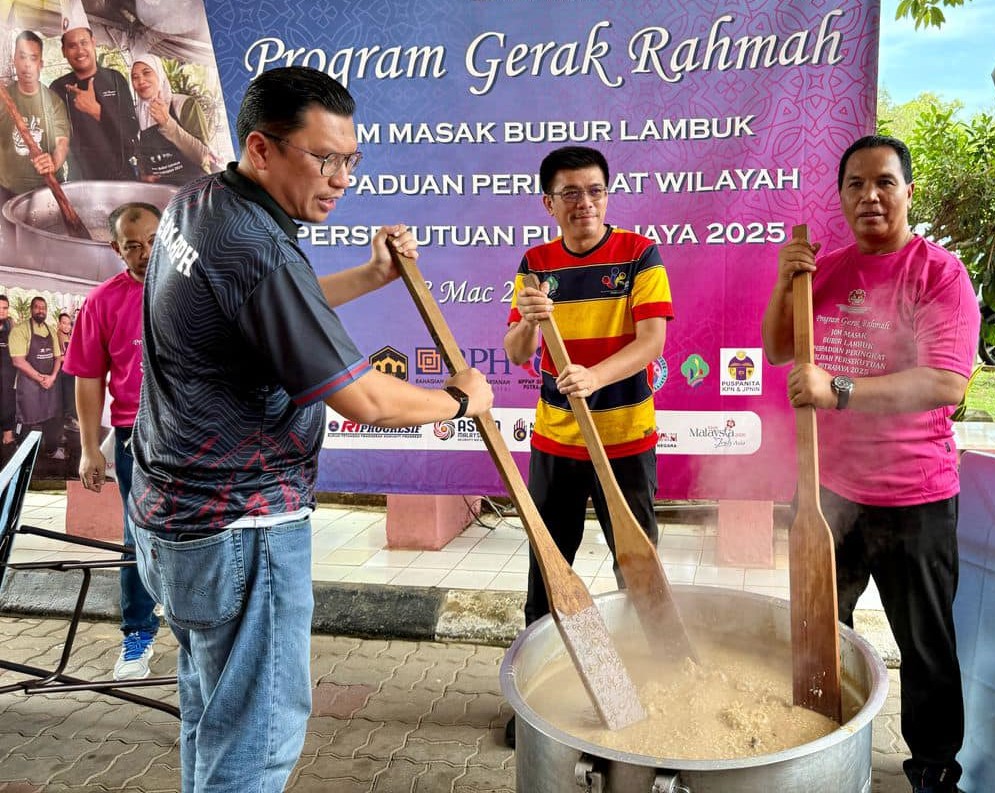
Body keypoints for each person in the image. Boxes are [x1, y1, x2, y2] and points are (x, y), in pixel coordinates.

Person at [127, 66, 493, 792]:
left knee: (211, 718)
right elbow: (365, 400)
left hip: (172, 519)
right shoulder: (257, 246)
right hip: (242, 527)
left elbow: (266, 306)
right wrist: (459, 398)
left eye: (350, 159)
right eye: (324, 158)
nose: (342, 178)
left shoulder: (200, 202)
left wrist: (367, 275)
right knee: (254, 747)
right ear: (262, 149)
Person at [761, 135, 979, 793]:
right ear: (842, 197)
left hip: (916, 496)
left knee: (926, 648)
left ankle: (934, 768)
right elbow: (775, 348)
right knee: (818, 630)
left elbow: (947, 383)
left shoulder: (938, 273)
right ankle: (823, 744)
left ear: (909, 192)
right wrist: (783, 281)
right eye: (855, 184)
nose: (870, 196)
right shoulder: (823, 270)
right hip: (828, 492)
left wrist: (841, 390)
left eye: (884, 182)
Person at [501, 145, 673, 747]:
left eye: (595, 190)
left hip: (626, 440)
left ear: (608, 194)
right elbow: (519, 353)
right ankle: (533, 697)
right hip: (556, 442)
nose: (585, 203)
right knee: (548, 571)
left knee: (638, 565)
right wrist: (528, 318)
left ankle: (663, 682)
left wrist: (596, 376)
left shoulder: (638, 253)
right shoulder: (535, 263)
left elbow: (651, 340)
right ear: (548, 203)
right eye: (570, 193)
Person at [62, 202, 162, 681]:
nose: (145, 254)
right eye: (133, 247)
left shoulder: (200, 291)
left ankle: (201, 637)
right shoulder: (102, 301)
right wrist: (88, 447)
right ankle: (138, 635)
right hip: (133, 439)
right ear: (116, 249)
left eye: (152, 241)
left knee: (206, 537)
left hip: (198, 438)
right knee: (138, 537)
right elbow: (87, 379)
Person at [50, 20, 139, 181]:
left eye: (84, 42)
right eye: (72, 45)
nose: (80, 50)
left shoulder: (115, 79)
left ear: (93, 43)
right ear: (63, 51)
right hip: (81, 182)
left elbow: (131, 134)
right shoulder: (58, 88)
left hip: (121, 178)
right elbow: (54, 139)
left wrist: (96, 111)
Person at [0, 30, 71, 204]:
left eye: (33, 58)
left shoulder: (54, 102)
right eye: (22, 57)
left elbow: (62, 142)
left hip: (48, 189)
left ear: (41, 64)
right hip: (8, 191)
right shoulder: (3, 98)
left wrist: (53, 162)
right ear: (14, 61)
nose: (27, 65)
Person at [130, 54, 216, 185]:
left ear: (159, 74)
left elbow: (202, 156)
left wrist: (167, 123)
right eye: (135, 77)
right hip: (162, 193)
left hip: (196, 189)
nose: (141, 80)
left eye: (146, 73)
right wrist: (143, 175)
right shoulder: (136, 114)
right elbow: (140, 155)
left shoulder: (184, 104)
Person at [9, 296, 64, 460]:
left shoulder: (51, 331)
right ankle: (22, 454)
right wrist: (41, 379)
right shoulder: (20, 330)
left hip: (49, 382)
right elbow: (18, 360)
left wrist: (53, 377)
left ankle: (51, 450)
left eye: (43, 307)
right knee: (26, 419)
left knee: (51, 417)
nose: (41, 310)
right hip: (28, 385)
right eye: (37, 307)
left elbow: (58, 357)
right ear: (31, 309)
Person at [0, 296, 16, 459]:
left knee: (8, 405)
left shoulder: (10, 327)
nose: (2, 311)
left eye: (5, 308)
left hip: (8, 377)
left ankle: (8, 437)